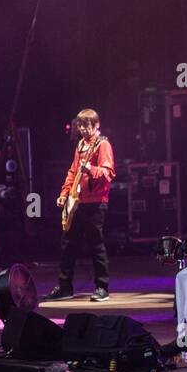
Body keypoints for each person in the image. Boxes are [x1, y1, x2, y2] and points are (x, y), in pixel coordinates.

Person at [48, 109, 115, 302]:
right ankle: (65, 286)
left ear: (96, 125)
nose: (83, 129)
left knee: (96, 245)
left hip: (95, 202)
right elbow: (73, 172)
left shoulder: (103, 145)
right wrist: (64, 193)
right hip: (77, 201)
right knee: (68, 244)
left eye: (87, 126)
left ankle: (102, 287)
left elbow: (108, 172)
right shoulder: (80, 145)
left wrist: (91, 169)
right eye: (81, 126)